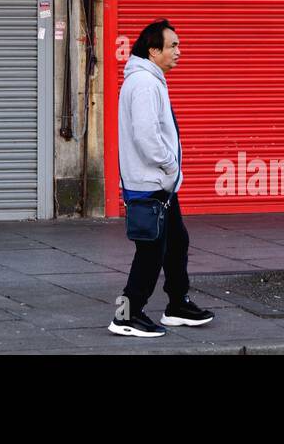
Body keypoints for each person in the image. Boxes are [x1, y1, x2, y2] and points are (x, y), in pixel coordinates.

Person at [108, 18, 215, 337]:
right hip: (150, 184)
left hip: (160, 185)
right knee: (150, 252)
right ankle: (125, 314)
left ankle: (177, 304)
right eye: (173, 46)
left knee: (176, 242)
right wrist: (170, 166)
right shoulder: (143, 83)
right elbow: (145, 135)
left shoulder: (150, 79)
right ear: (154, 51)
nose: (179, 52)